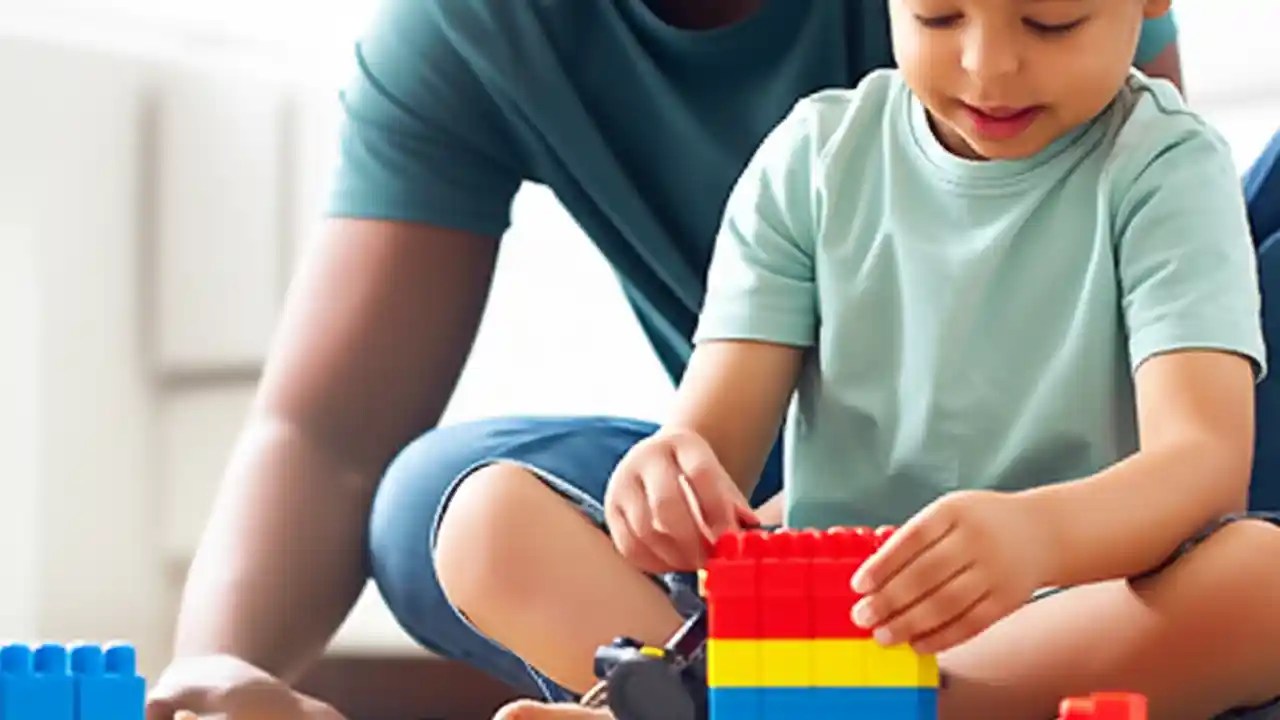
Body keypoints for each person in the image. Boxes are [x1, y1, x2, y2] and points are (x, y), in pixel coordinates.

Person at [138, 1, 1276, 719]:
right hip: (823, 603)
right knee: (469, 512)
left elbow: (1191, 454)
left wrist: (1034, 532)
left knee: (1260, 582)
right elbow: (710, 432)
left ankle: (722, 708)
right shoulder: (814, 157)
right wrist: (669, 485)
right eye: (937, 17)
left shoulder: (1155, 166)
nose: (985, 66)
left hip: (1067, 578)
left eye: (1045, 23)